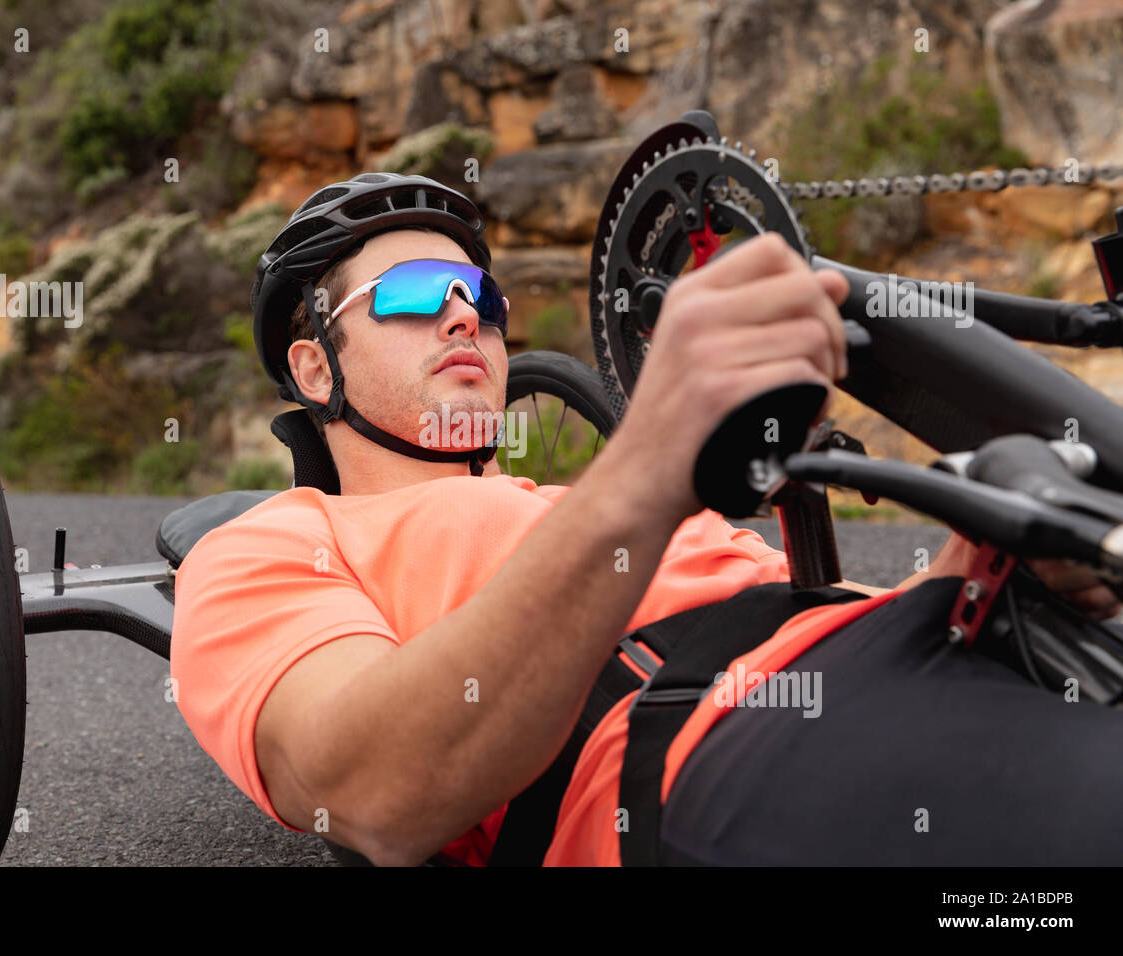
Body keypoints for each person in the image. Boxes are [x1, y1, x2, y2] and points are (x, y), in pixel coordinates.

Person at [170, 173, 1123, 866]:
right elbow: (367, 792)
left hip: (919, 656)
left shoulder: (579, 506)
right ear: (311, 368)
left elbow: (806, 613)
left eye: (485, 300)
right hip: (715, 750)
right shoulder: (272, 545)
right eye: (417, 296)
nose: (466, 317)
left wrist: (969, 574)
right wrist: (650, 467)